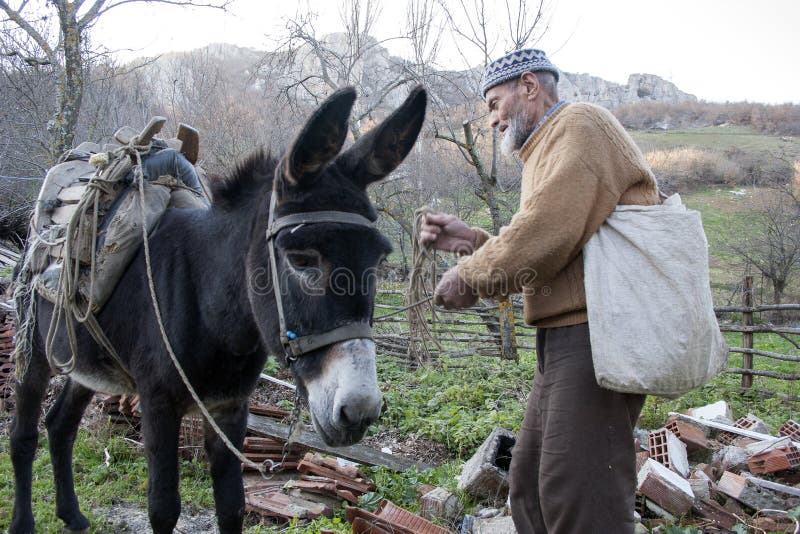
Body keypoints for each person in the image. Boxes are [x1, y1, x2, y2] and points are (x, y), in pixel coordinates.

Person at [419, 49, 660, 533]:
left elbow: (546, 234)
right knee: (528, 483)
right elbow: (557, 245)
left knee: (579, 492)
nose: (491, 119)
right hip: (565, 338)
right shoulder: (547, 148)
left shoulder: (581, 125)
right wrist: (474, 243)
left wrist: (472, 275)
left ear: (529, 86)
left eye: (494, 103)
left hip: (598, 335)